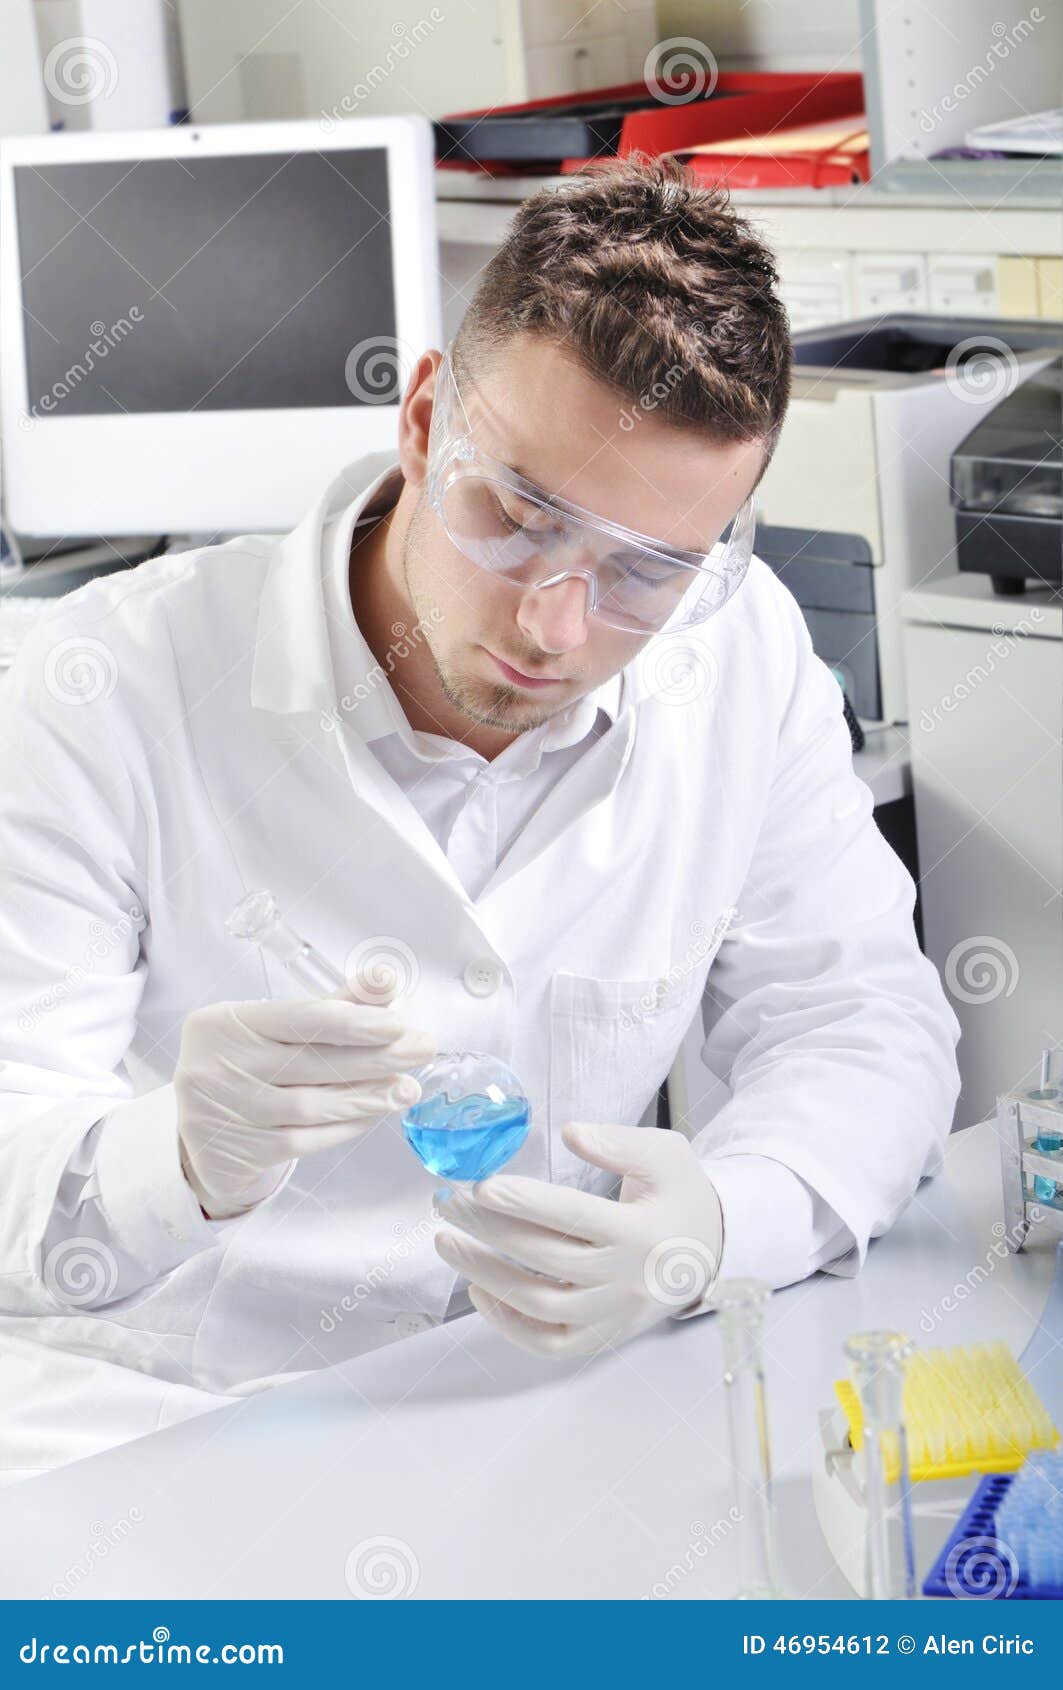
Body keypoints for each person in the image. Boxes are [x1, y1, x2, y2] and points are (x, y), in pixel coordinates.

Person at [0, 158, 959, 1467]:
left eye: (648, 572)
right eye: (516, 514)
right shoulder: (97, 685)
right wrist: (172, 1156)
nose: (555, 626)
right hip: (162, 1427)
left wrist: (717, 1223)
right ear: (423, 419)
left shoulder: (743, 657)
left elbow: (864, 1025)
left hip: (538, 1416)